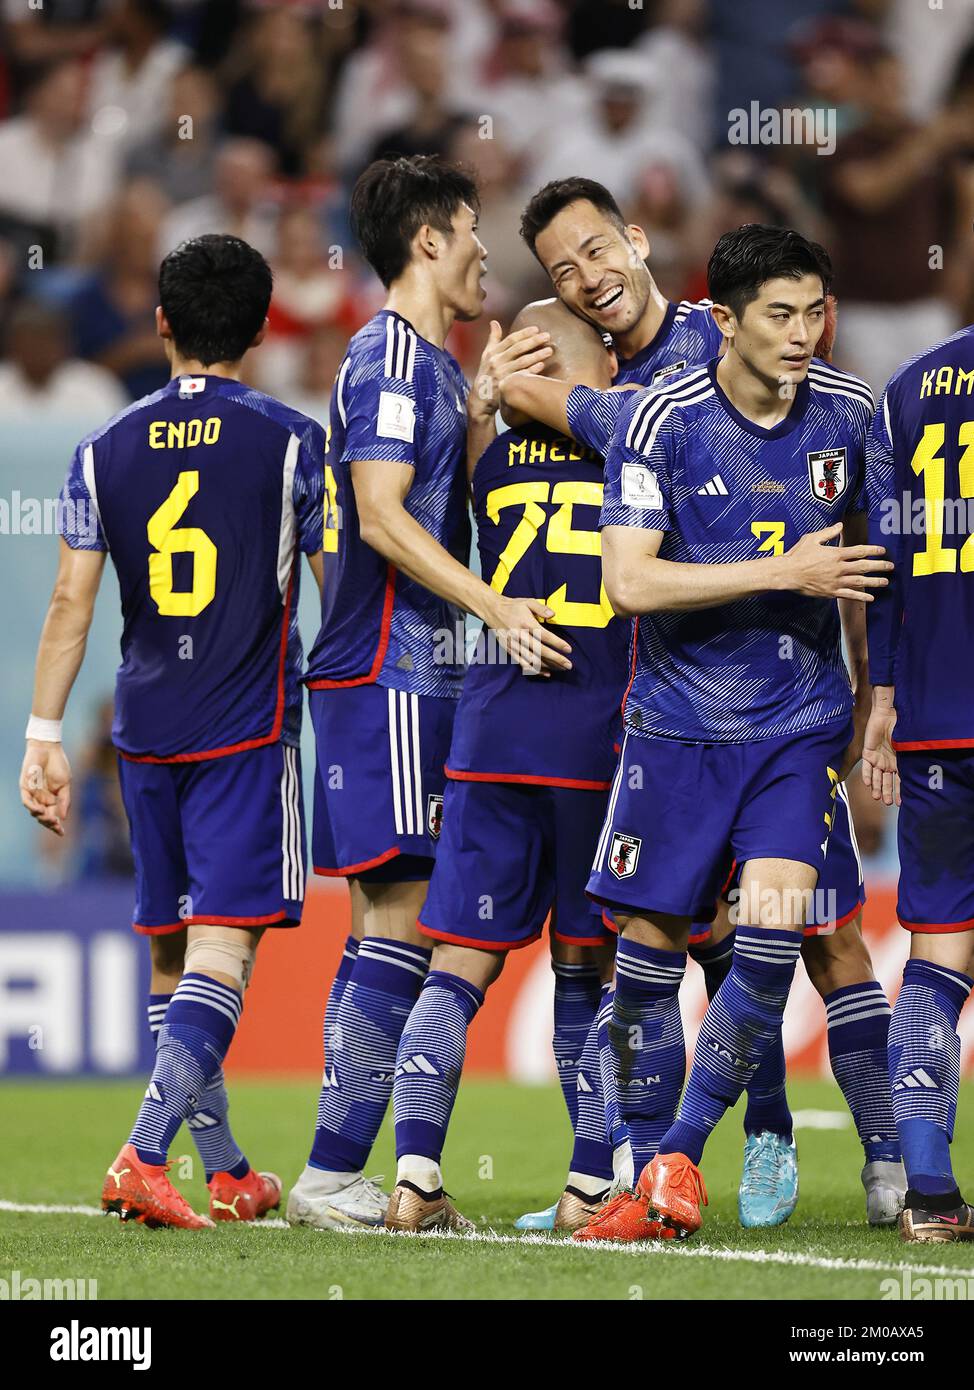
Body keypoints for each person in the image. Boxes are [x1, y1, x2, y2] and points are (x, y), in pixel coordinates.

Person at [517, 179, 903, 1230]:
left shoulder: (849, 411)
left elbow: (868, 579)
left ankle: (707, 1160)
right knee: (640, 975)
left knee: (782, 936)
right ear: (722, 321)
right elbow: (628, 583)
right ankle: (647, 1166)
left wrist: (876, 707)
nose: (800, 332)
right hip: (673, 736)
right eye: (777, 313)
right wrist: (779, 573)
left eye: (812, 310)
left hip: (794, 732)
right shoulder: (659, 420)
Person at [19, 233, 325, 1230]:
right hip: (245, 726)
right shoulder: (290, 439)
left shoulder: (100, 449)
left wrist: (42, 735)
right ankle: (142, 1154)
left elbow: (71, 603)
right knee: (224, 946)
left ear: (159, 324)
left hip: (145, 731)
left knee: (169, 949)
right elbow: (339, 589)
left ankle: (227, 1166)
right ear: (262, 326)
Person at [285, 155, 562, 1232]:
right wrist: (495, 608)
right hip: (392, 671)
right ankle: (329, 1173)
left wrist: (485, 410)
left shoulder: (433, 368)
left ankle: (347, 1170)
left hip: (407, 671)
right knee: (399, 917)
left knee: (384, 926)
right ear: (429, 240)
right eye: (473, 229)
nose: (488, 250)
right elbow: (384, 516)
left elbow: (438, 509)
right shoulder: (392, 359)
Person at [385, 298, 625, 1232]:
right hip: (598, 742)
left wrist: (488, 394)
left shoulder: (487, 465)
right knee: (587, 972)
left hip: (489, 739)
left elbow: (485, 423)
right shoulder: (633, 450)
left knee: (456, 967)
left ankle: (414, 1178)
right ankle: (590, 1185)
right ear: (584, 369)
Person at [862, 319, 974, 1243]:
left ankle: (930, 1194)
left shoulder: (908, 389)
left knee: (938, 958)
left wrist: (886, 699)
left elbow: (887, 574)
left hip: (939, 716)